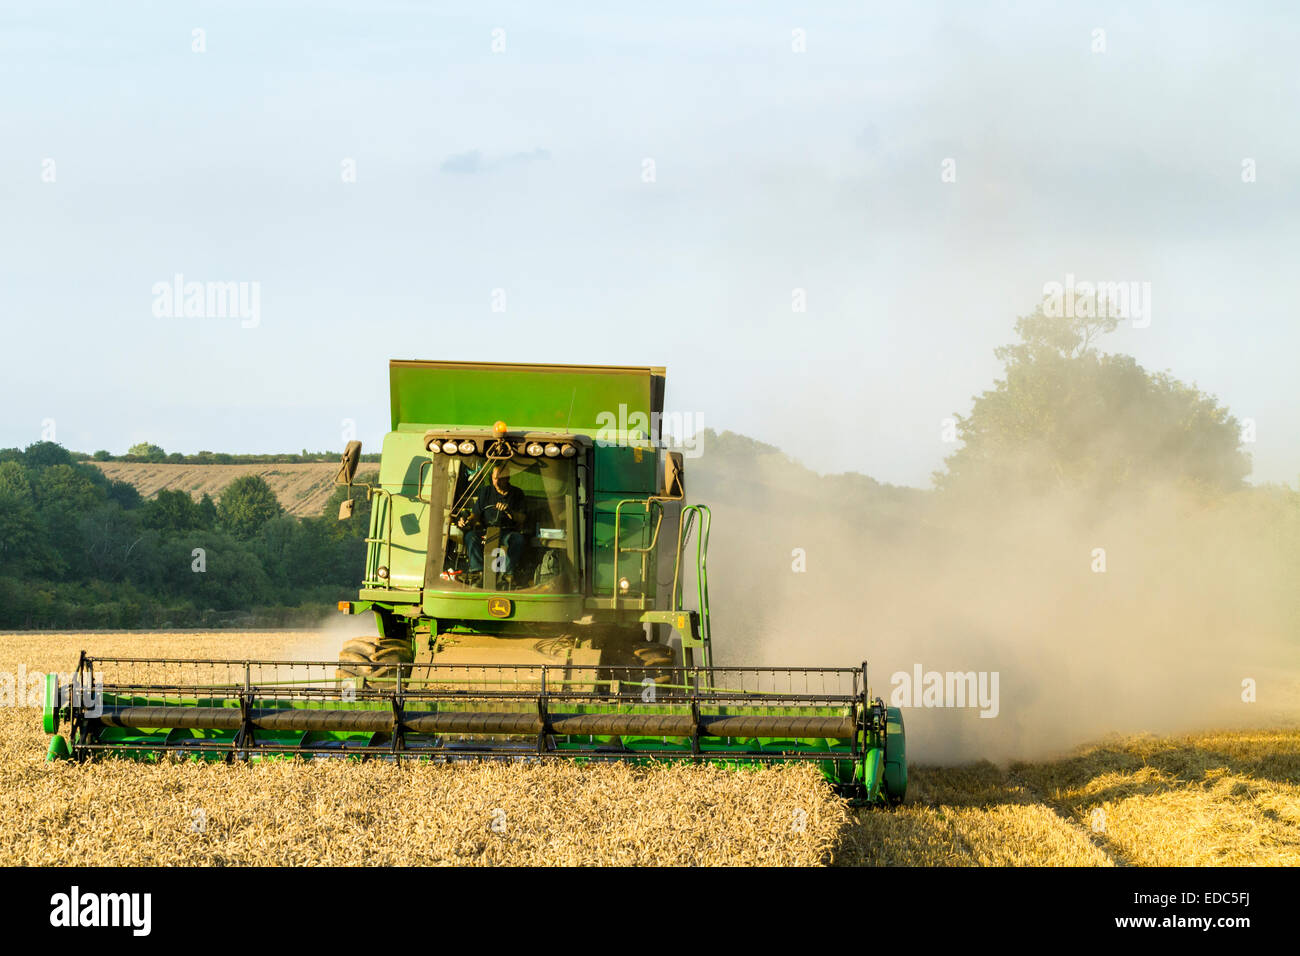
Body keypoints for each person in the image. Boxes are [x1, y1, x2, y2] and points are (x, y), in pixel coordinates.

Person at [458, 463, 527, 584]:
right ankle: (477, 572)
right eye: (495, 478)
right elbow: (475, 515)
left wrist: (509, 511)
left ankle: (507, 574)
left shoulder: (517, 494)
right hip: (485, 530)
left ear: (507, 478)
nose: (496, 482)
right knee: (470, 537)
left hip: (507, 532)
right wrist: (467, 520)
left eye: (500, 479)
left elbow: (522, 518)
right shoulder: (486, 491)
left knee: (518, 539)